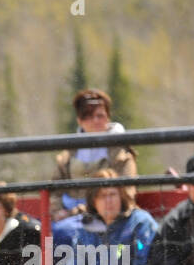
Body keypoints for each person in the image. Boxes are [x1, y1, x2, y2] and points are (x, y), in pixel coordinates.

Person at [51, 89, 138, 225]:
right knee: (50, 238)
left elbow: (126, 193)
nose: (95, 121)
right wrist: (57, 211)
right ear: (79, 120)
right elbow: (55, 190)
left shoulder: (121, 153)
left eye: (100, 115)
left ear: (108, 117)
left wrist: (81, 212)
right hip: (66, 219)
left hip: (109, 217)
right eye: (88, 116)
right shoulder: (67, 155)